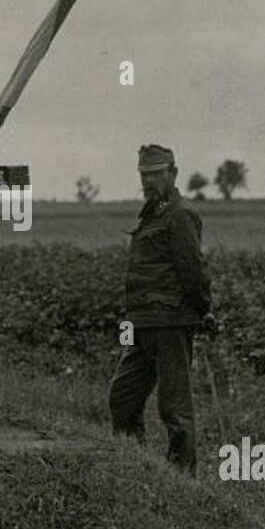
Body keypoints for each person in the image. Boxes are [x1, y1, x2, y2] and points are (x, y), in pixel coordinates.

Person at [108, 144, 213, 474]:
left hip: (170, 322)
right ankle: (134, 468)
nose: (150, 180)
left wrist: (201, 309)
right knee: (122, 398)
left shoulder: (180, 215)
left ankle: (183, 481)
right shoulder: (150, 215)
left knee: (174, 407)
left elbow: (192, 269)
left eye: (156, 174)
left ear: (173, 173)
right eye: (145, 175)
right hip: (142, 323)